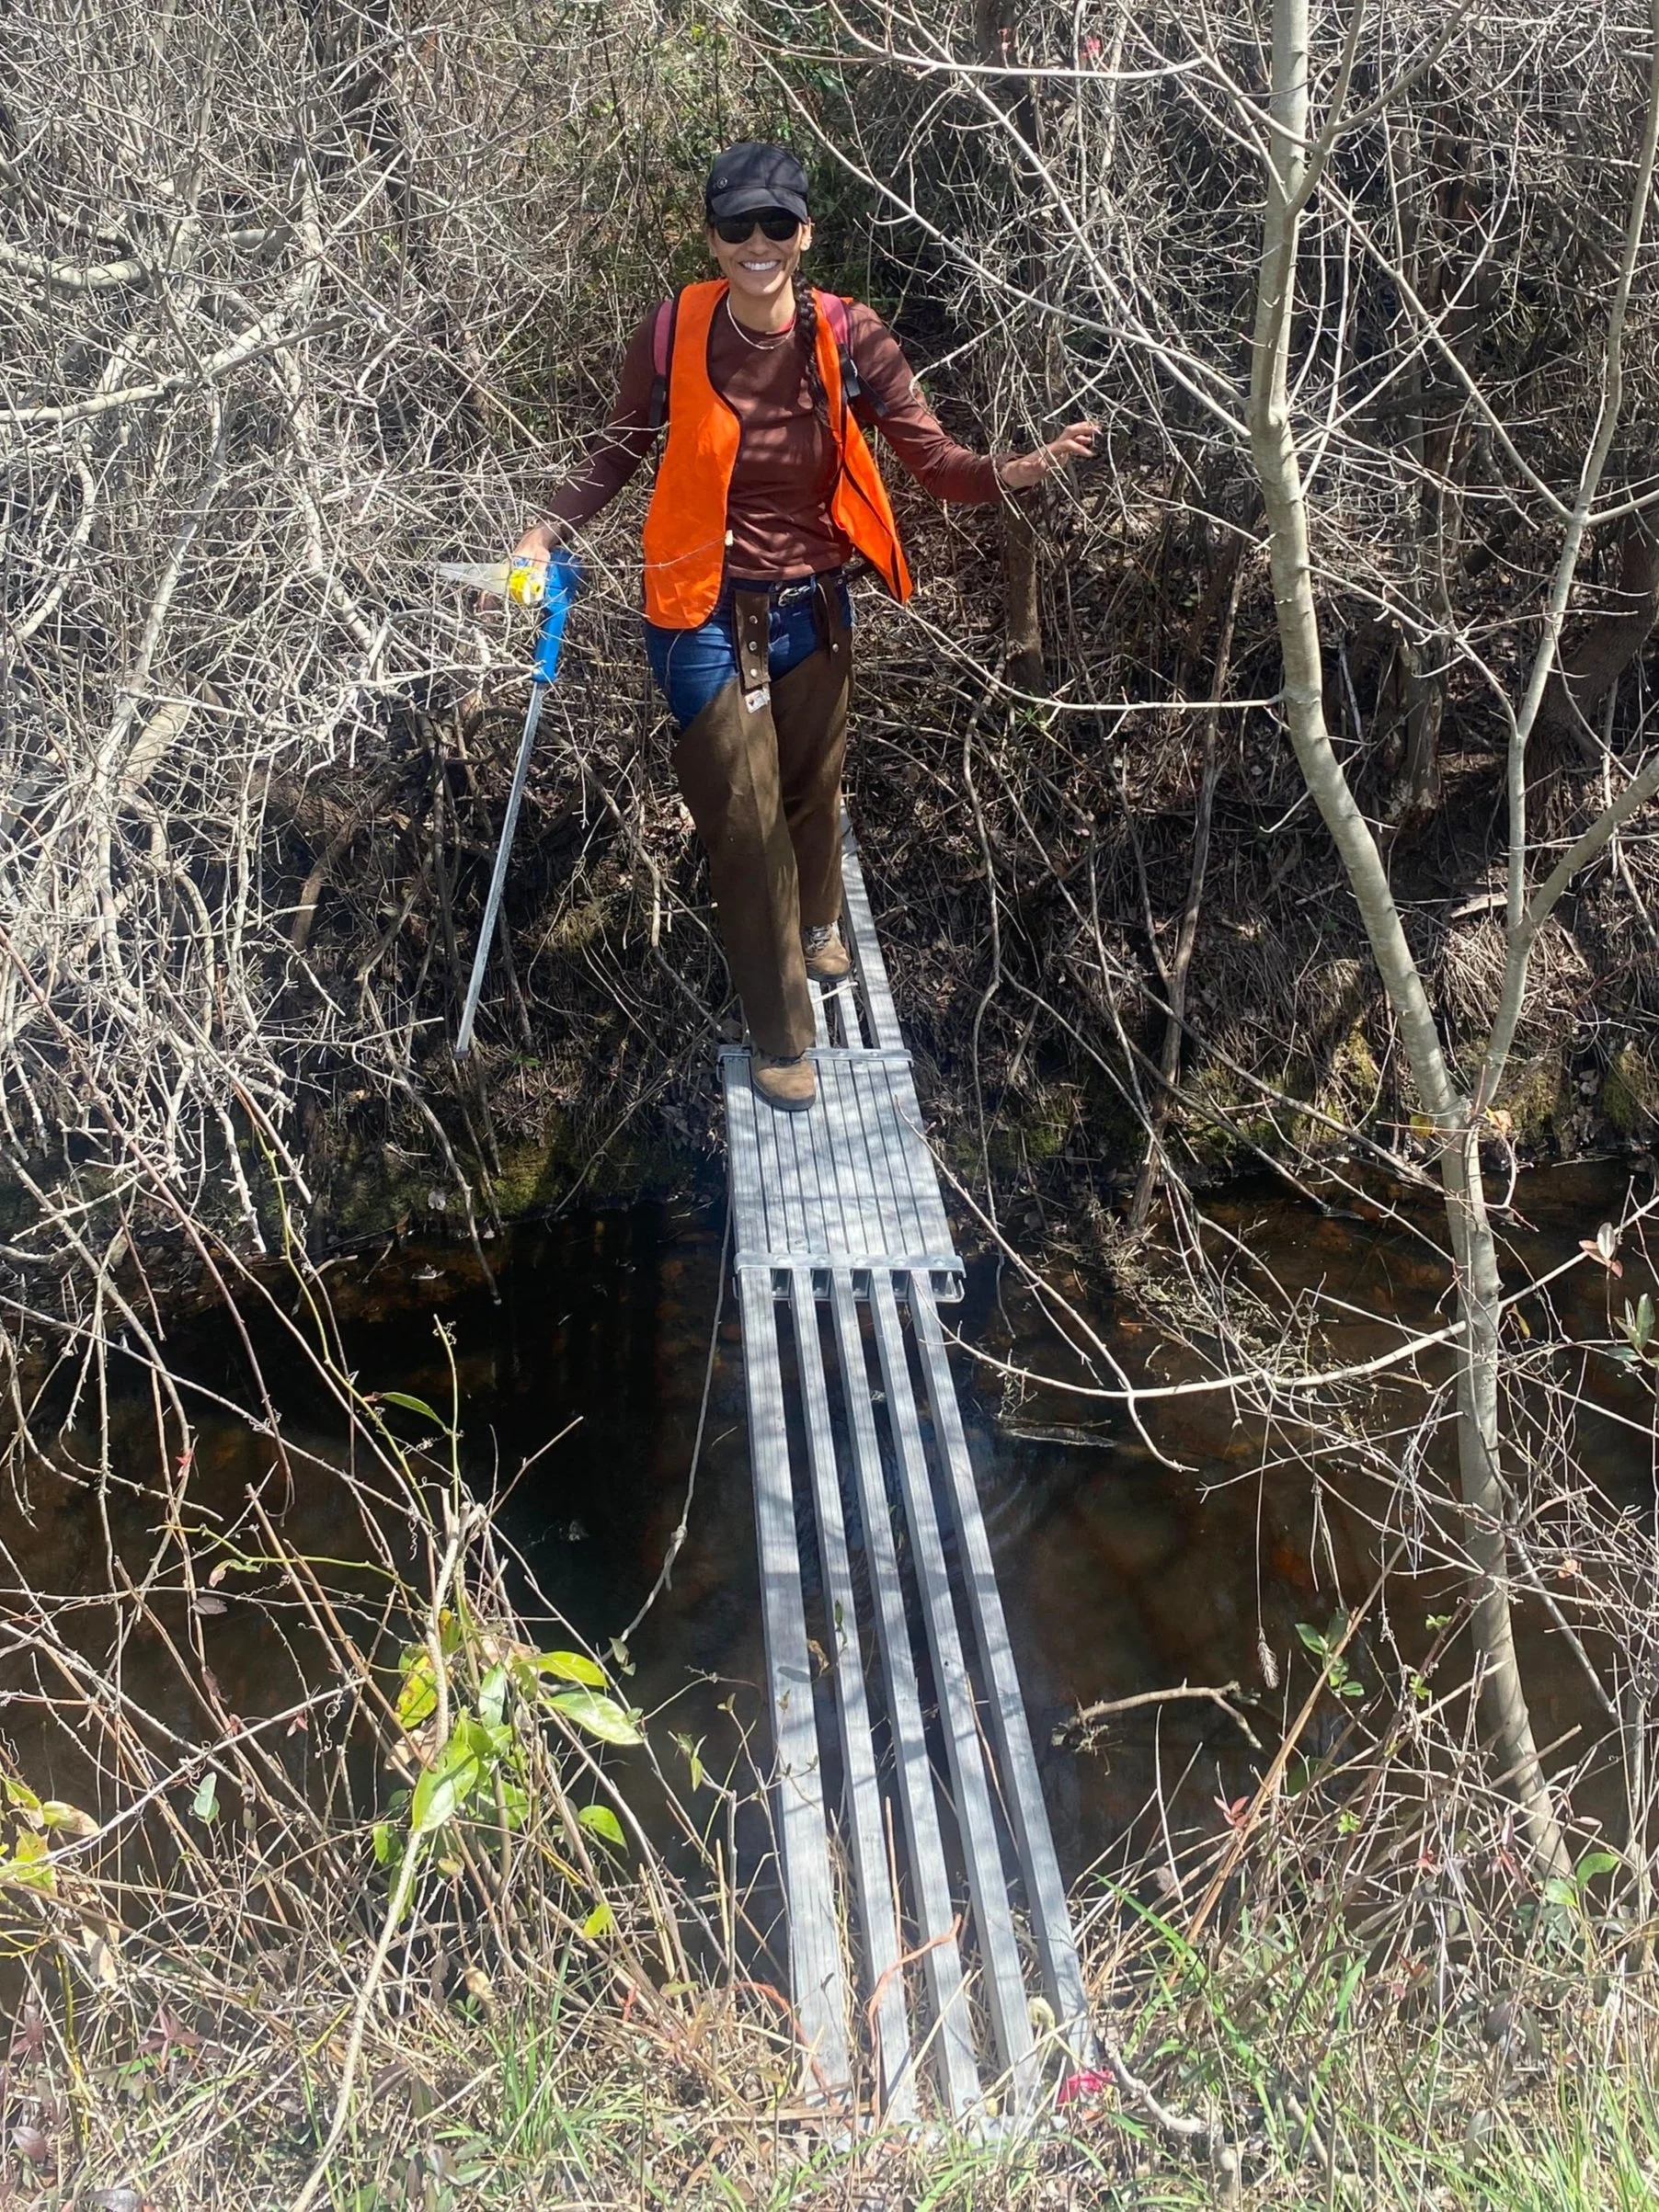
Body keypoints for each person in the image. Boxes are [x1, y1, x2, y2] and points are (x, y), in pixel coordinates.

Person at [509, 141, 1095, 1112]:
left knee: (810, 794)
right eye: (736, 225)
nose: (756, 243)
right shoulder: (671, 333)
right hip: (699, 612)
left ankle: (821, 916)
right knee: (743, 824)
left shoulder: (848, 336)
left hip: (812, 607)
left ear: (804, 234)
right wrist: (542, 532)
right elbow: (616, 451)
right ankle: (784, 1033)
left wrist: (1020, 469)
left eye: (775, 224)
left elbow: (935, 464)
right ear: (710, 237)